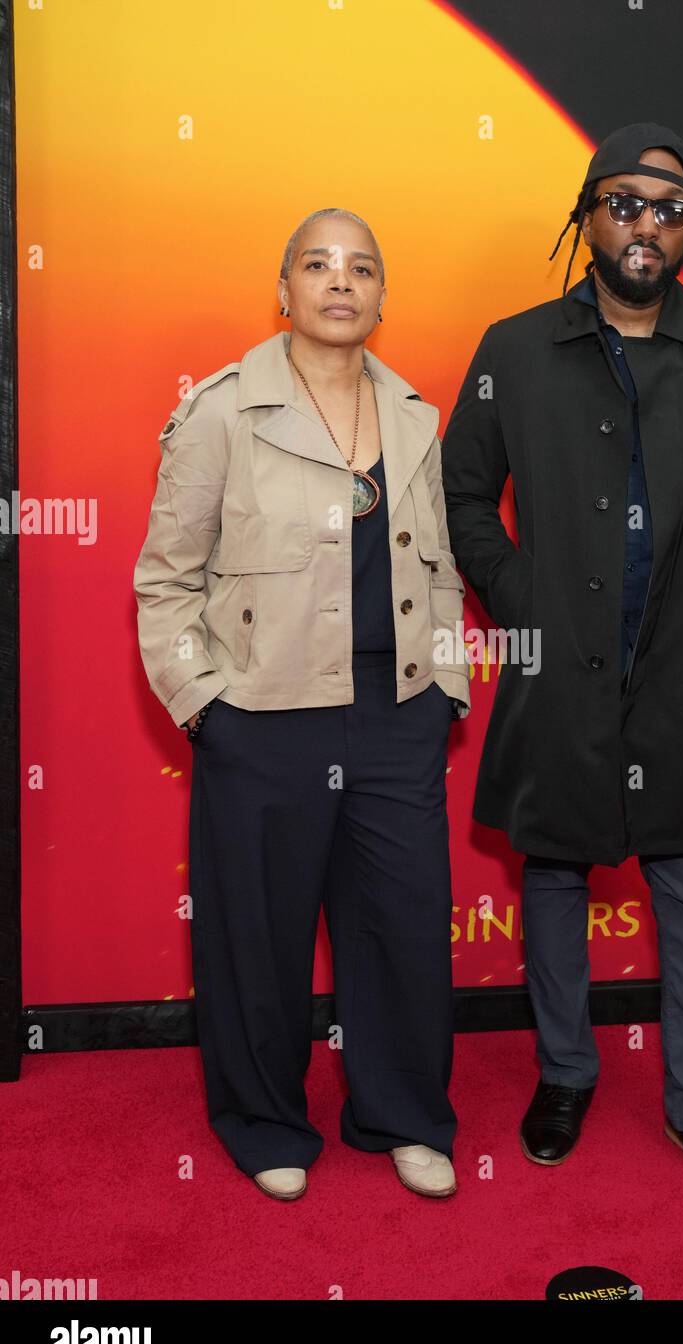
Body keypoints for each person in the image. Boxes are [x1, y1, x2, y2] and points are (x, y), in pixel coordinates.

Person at [441, 122, 683, 1212]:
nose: (647, 224)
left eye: (670, 207)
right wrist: (519, 599)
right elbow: (463, 494)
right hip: (558, 677)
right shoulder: (513, 350)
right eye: (625, 202)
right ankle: (565, 1074)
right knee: (553, 880)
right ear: (586, 217)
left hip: (680, 679)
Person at [134, 208, 470, 1202]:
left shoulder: (417, 416)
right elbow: (165, 582)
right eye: (317, 264)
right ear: (283, 289)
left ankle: (403, 1113)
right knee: (259, 930)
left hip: (396, 711)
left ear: (379, 293)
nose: (340, 281)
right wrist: (208, 708)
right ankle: (266, 1119)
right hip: (264, 711)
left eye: (361, 267)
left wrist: (445, 685)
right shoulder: (222, 411)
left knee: (404, 924)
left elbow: (442, 568)